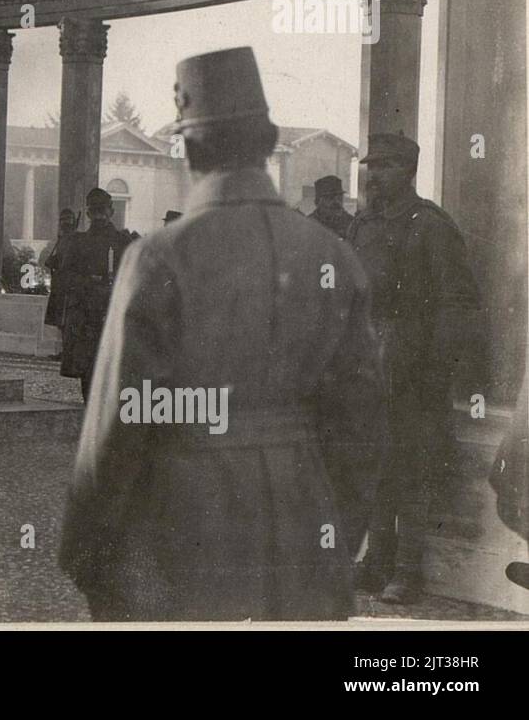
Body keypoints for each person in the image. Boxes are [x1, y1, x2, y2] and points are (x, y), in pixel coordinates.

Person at [59, 47, 384, 621]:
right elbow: (361, 417)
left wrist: (88, 546)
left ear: (188, 147)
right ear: (269, 139)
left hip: (188, 524)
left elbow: (119, 421)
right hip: (304, 518)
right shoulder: (333, 252)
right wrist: (338, 529)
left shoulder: (159, 257)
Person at [348, 132, 483, 604]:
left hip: (415, 369)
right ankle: (375, 562)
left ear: (407, 171)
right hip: (370, 367)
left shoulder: (430, 226)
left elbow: (458, 302)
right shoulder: (361, 226)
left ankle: (407, 570)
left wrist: (435, 370)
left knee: (412, 471)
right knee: (377, 467)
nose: (373, 176)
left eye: (383, 167)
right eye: (371, 166)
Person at [59, 188, 134, 402]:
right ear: (89, 213)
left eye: (103, 211)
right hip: (85, 312)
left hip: (113, 309)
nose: (99, 216)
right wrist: (89, 282)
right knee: (87, 364)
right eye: (95, 211)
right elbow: (66, 276)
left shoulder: (122, 241)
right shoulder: (78, 242)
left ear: (111, 212)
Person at [307, 174, 354, 238]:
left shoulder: (351, 223)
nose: (336, 202)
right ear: (318, 202)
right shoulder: (309, 224)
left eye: (339, 197)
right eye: (330, 198)